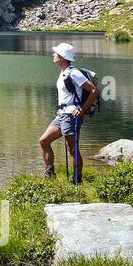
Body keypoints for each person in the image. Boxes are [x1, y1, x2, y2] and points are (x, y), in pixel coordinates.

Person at [38, 42, 98, 182]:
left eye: (56, 53)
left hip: (71, 115)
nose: (53, 55)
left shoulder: (74, 73)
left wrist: (82, 110)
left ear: (63, 57)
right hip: (62, 114)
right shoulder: (63, 72)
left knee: (72, 148)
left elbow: (94, 91)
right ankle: (50, 174)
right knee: (44, 141)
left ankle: (77, 180)